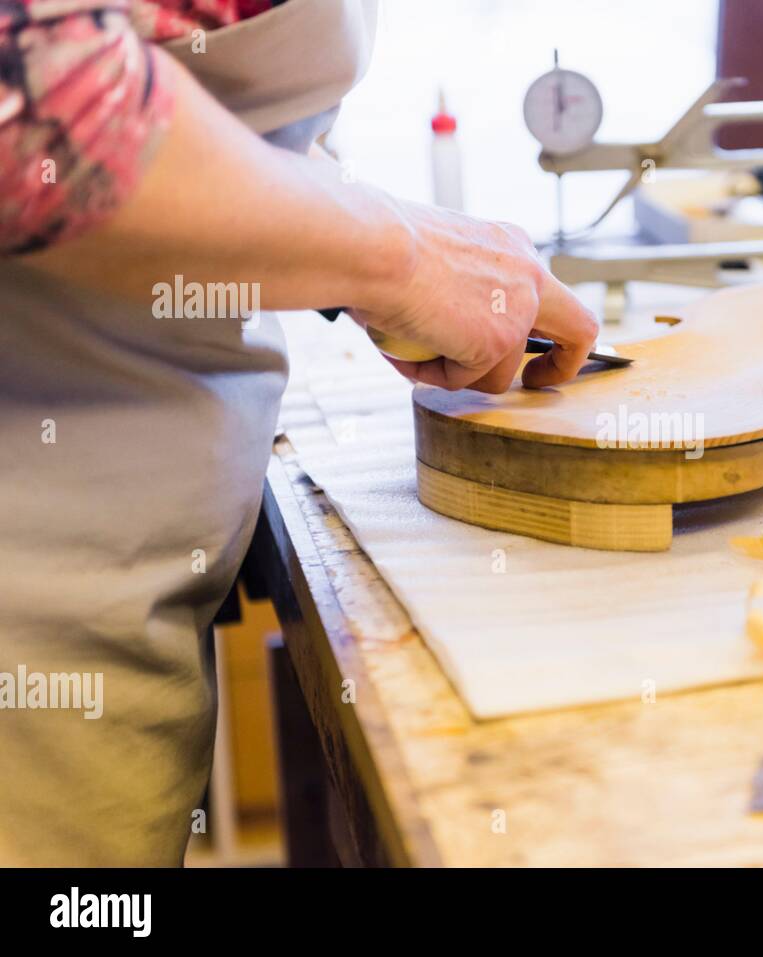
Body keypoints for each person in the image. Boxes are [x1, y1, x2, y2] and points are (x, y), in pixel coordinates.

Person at [0, 0, 597, 865]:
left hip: (122, 580)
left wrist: (370, 247)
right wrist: (402, 258)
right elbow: (38, 106)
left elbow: (212, 104)